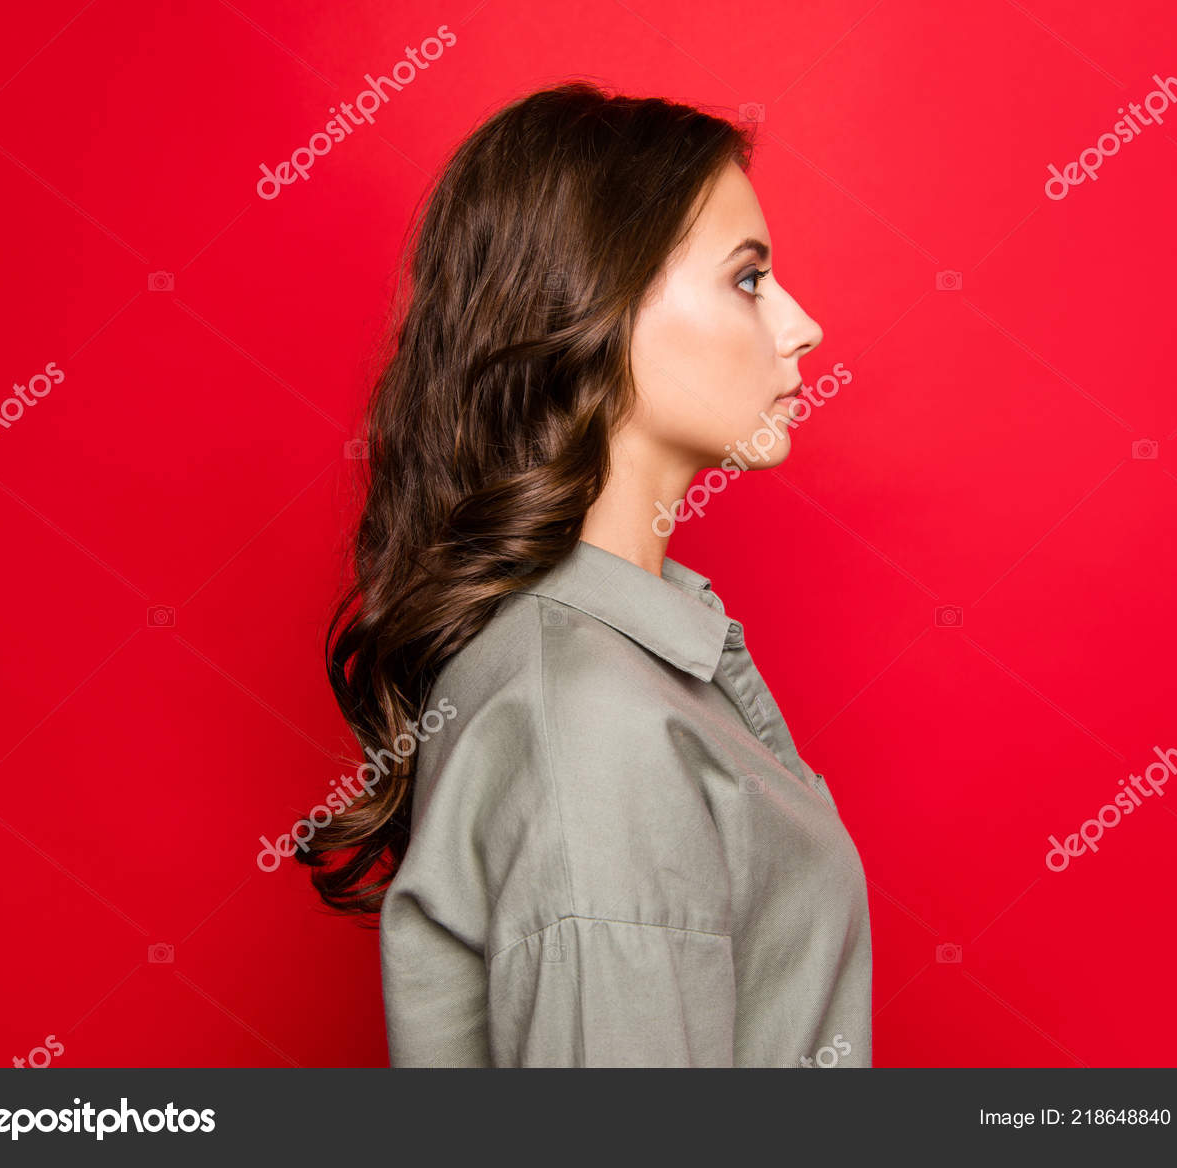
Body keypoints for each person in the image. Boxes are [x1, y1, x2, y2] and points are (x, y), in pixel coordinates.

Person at [301, 81, 872, 1067]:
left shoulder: (616, 663)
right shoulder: (591, 721)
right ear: (595, 303)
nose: (802, 325)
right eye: (747, 279)